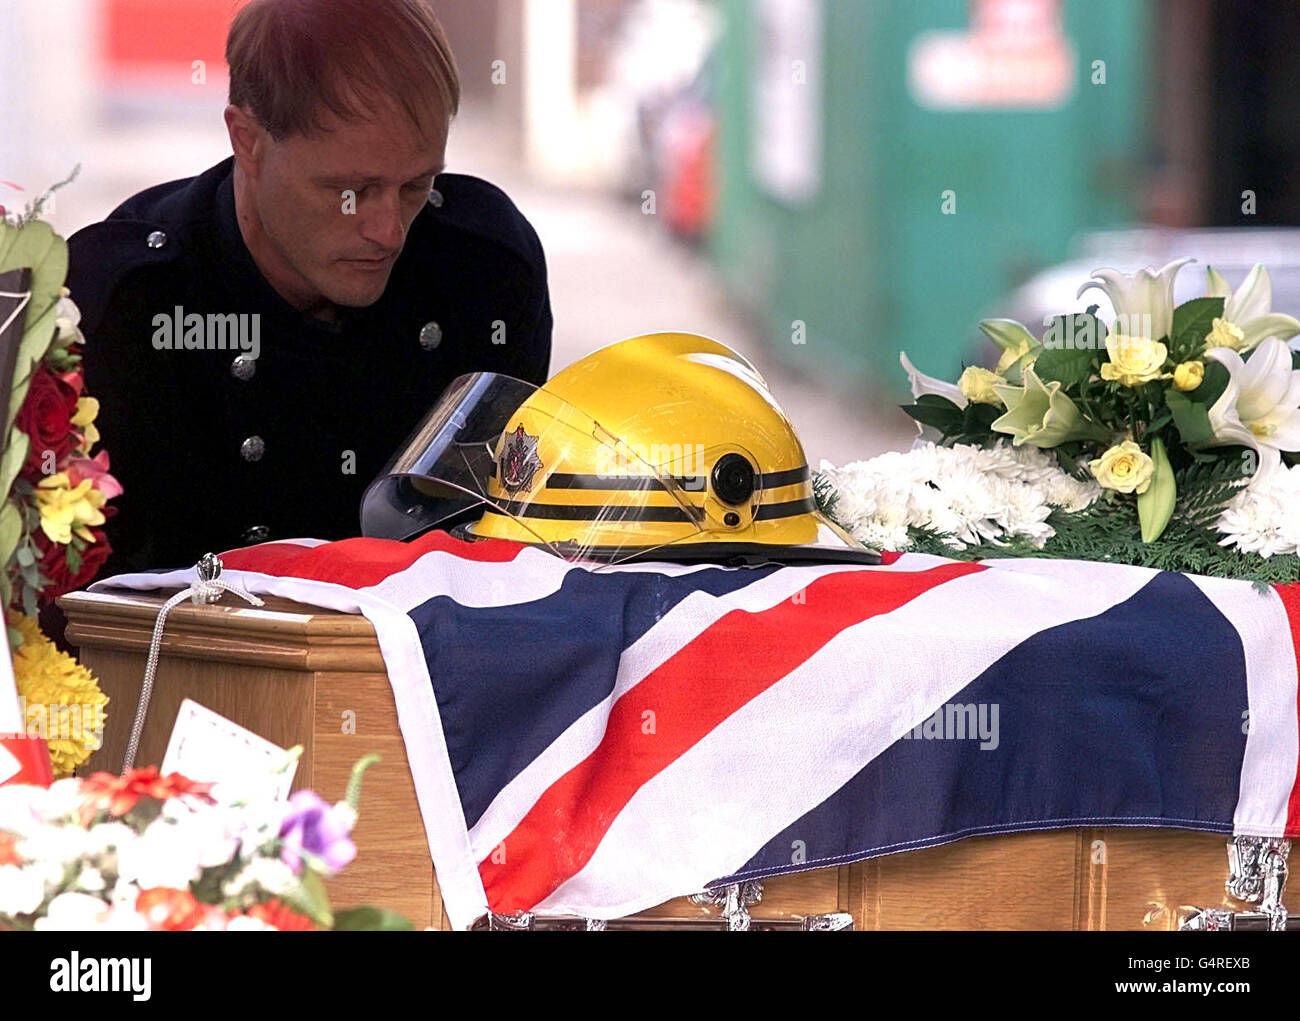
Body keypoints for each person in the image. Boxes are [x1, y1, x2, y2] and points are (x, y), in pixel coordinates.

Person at [66, 0, 552, 577]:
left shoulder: (484, 270)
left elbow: (507, 552)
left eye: (415, 186)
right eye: (350, 190)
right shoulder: (127, 305)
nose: (388, 231)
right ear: (246, 140)